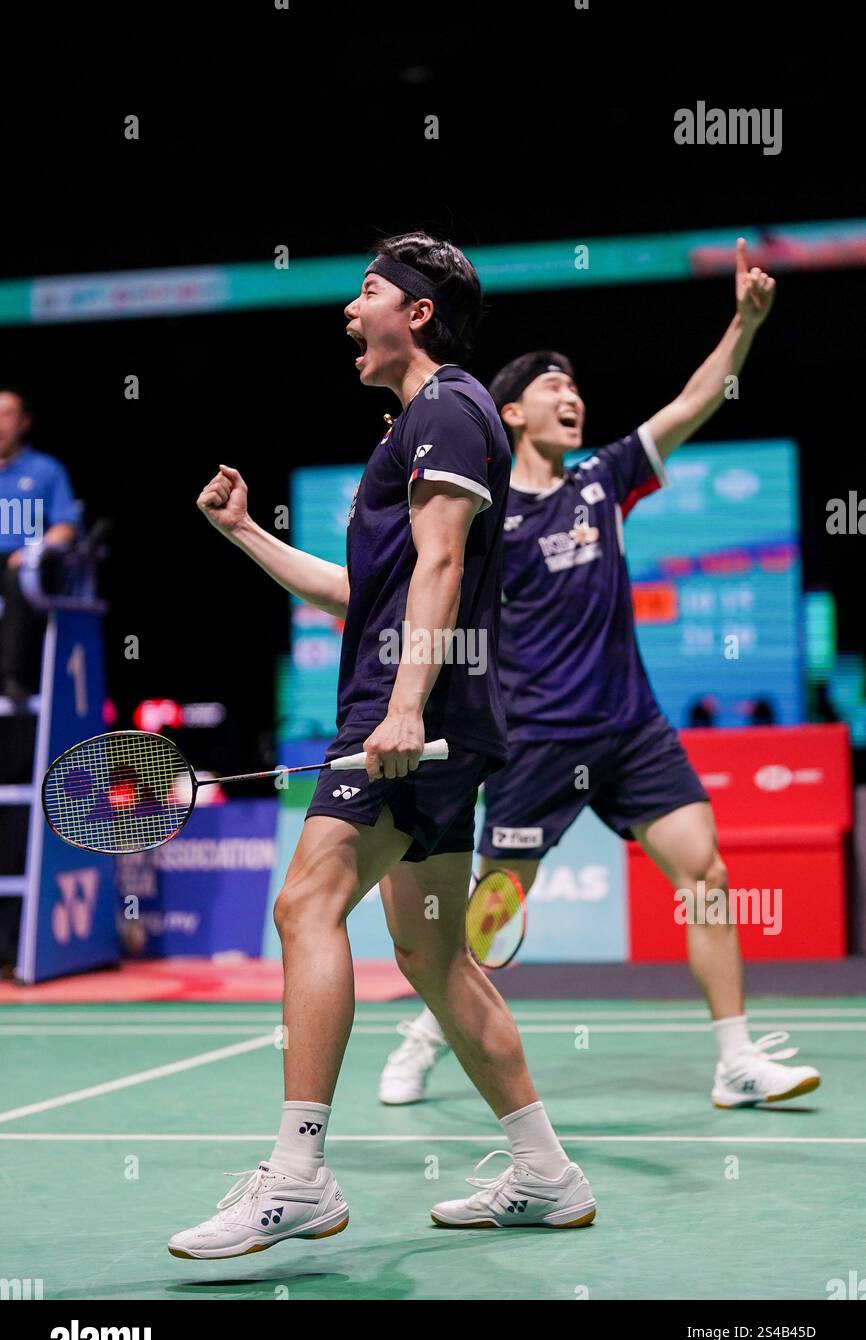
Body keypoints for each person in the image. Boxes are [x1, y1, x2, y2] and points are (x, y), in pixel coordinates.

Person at [168, 232, 597, 1258]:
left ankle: (298, 1174)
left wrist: (404, 708)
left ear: (414, 313)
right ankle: (544, 1170)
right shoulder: (419, 425)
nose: (346, 312)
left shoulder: (446, 409)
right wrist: (243, 533)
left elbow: (441, 563)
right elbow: (369, 590)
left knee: (304, 900)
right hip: (435, 712)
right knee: (431, 951)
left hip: (413, 712)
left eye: (363, 293)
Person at [379, 239, 820, 1112]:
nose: (571, 398)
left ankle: (735, 1059)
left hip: (631, 728)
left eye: (575, 388)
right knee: (492, 912)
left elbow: (692, 404)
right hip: (536, 741)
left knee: (708, 876)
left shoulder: (603, 481)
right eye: (552, 388)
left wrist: (744, 323)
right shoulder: (486, 520)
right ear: (509, 414)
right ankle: (426, 1032)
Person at [0, 386, 79, 702]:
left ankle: (12, 678)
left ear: (24, 423)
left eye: (7, 415)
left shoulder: (47, 470)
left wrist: (32, 551)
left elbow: (66, 526)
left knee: (18, 576)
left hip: (26, 562)